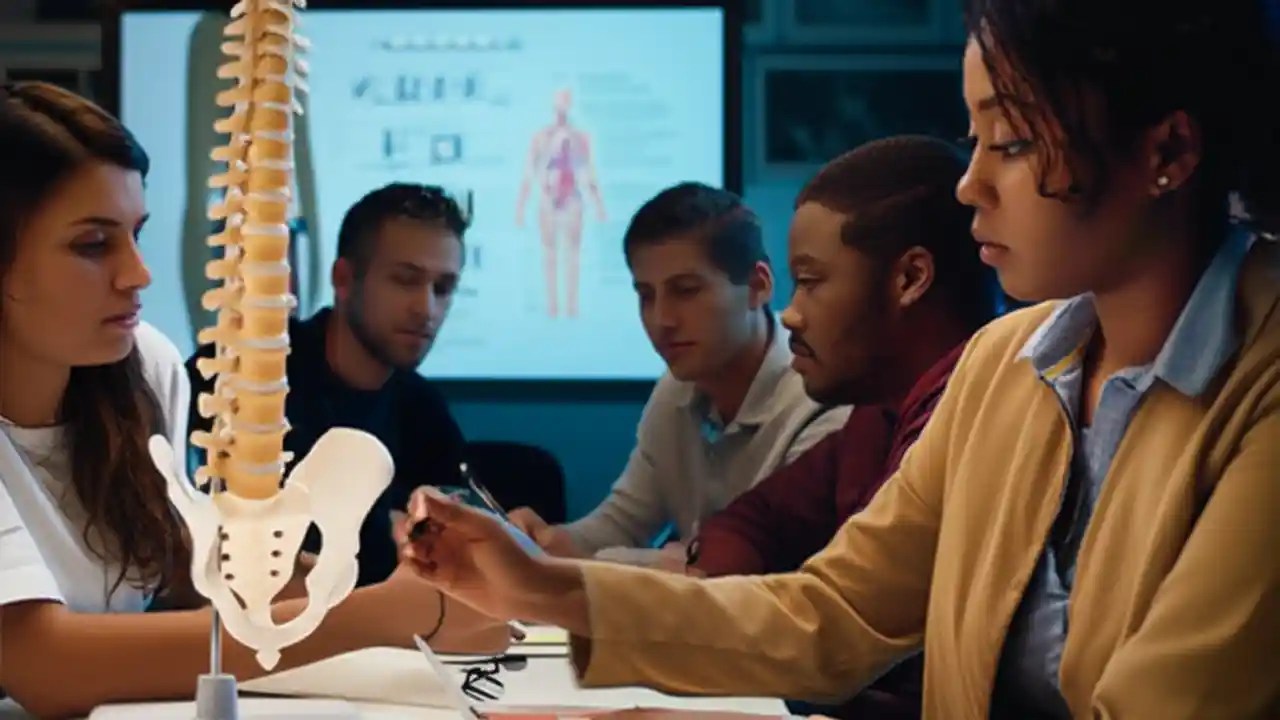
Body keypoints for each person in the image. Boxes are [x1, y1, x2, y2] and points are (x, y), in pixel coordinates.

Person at [399, 1, 1280, 717]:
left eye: (1008, 141)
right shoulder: (1004, 367)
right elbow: (834, 612)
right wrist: (542, 588)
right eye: (972, 141)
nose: (971, 182)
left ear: (1166, 152)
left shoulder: (1259, 386)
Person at [0, 82, 506, 719]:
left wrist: (334, 584)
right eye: (93, 245)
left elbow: (188, 572)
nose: (139, 274)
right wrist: (377, 614)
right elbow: (45, 666)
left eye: (135, 235)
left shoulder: (143, 367)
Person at [688, 136, 998, 719]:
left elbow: (854, 647)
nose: (790, 312)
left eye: (811, 280)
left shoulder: (982, 423)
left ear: (910, 278)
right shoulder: (877, 415)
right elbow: (753, 518)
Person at [509, 183, 850, 564]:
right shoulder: (678, 386)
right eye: (646, 295)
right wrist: (538, 545)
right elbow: (621, 524)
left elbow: (767, 574)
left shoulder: (822, 395)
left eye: (685, 291)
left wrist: (660, 564)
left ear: (758, 286)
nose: (661, 320)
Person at [188, 182, 468, 587]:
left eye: (442, 289)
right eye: (405, 280)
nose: (426, 309)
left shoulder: (423, 411)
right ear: (344, 279)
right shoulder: (242, 371)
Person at [514, 87, 607, 318]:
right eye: (559, 104)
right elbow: (529, 171)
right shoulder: (541, 137)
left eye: (566, 103)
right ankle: (553, 308)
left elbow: (588, 172)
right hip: (548, 198)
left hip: (572, 198)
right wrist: (521, 207)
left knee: (572, 255)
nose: (562, 109)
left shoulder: (581, 138)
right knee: (550, 254)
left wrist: (598, 205)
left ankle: (572, 308)